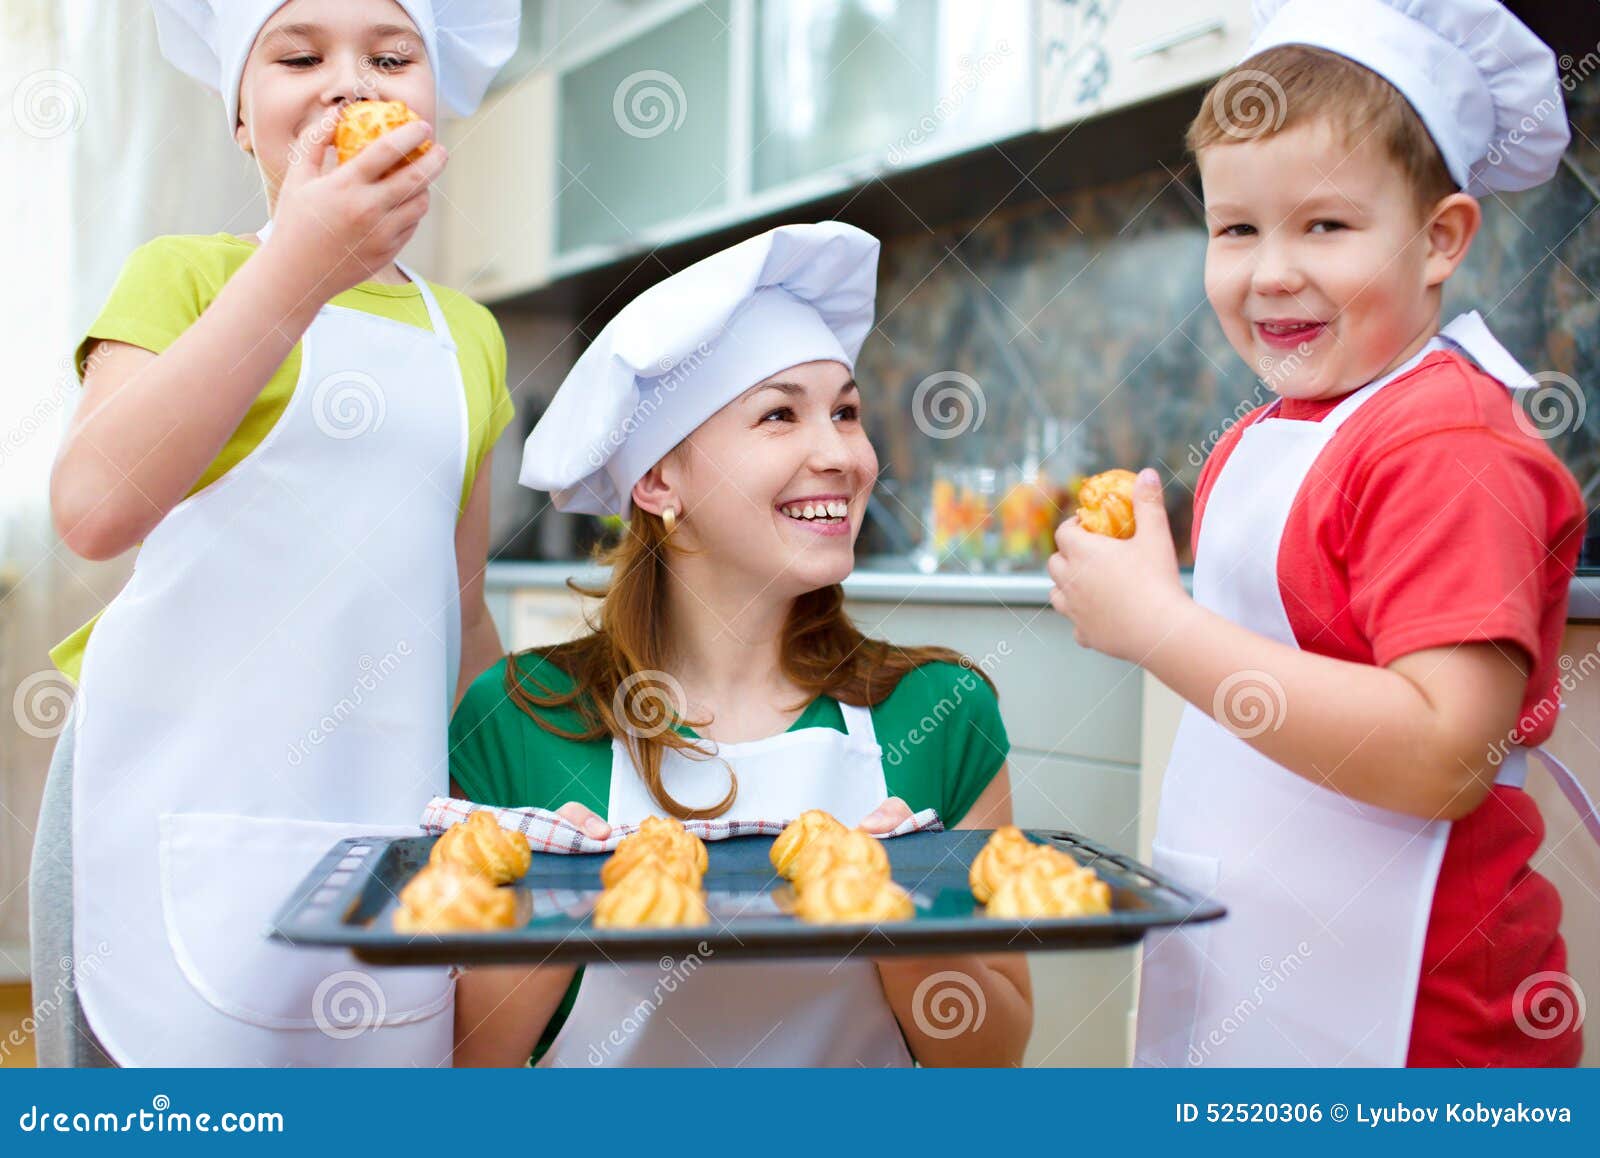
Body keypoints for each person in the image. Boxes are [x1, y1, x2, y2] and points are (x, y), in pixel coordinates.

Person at [1049, 0, 1598, 1066]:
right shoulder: (1257, 438)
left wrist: (1157, 624)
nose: (1270, 272)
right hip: (1250, 972)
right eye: (1236, 229)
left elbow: (1446, 754)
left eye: (1325, 226)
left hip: (1422, 1027)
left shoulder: (1447, 439)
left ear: (1440, 239)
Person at [30, 0, 520, 1066]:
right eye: (298, 55)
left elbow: (461, 604)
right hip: (161, 808)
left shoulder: (468, 337)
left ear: (432, 117)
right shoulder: (193, 278)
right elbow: (92, 510)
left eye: (392, 57)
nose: (350, 81)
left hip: (380, 822)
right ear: (242, 120)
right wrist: (297, 267)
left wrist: (532, 796)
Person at [448, 222, 1032, 1067]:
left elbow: (990, 1061)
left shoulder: (939, 711)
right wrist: (555, 911)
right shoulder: (516, 717)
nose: (842, 455)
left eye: (845, 412)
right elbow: (466, 1072)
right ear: (657, 480)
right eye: (779, 415)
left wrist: (896, 910)